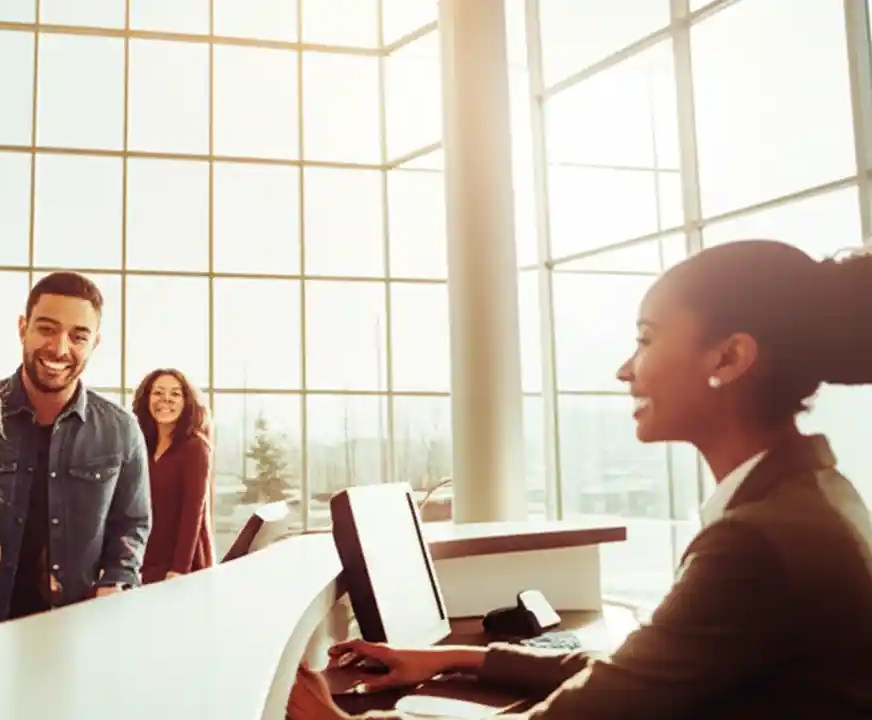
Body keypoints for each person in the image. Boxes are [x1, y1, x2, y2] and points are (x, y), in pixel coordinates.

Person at [290, 240, 872, 719]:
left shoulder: (755, 543)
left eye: (645, 339)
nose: (625, 368)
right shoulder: (810, 498)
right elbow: (639, 675)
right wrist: (457, 659)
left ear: (728, 359)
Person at [0, 271, 150, 620]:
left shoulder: (121, 429)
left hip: (76, 627)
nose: (60, 348)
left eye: (78, 336)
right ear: (22, 328)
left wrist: (117, 581)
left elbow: (132, 524)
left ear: (95, 343)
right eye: (46, 328)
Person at [131, 368, 215, 584]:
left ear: (187, 402)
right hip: (148, 559)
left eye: (175, 394)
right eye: (158, 393)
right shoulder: (142, 445)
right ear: (147, 399)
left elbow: (192, 512)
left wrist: (179, 570)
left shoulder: (195, 447)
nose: (166, 399)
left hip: (183, 563)